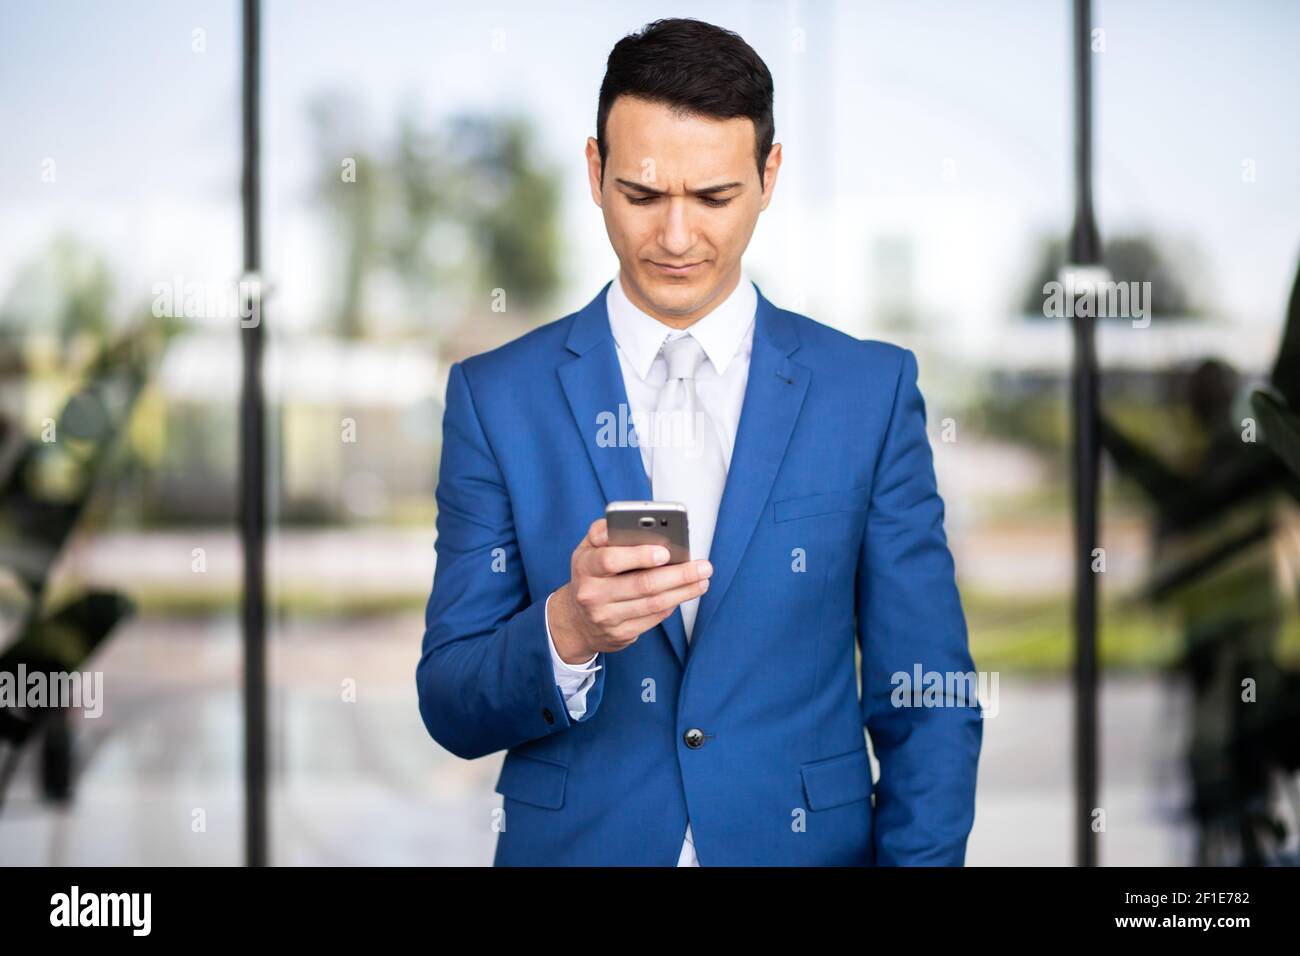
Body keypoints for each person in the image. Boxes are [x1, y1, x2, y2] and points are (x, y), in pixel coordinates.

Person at [417, 17, 982, 866]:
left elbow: (927, 700)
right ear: (595, 172)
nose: (676, 239)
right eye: (643, 195)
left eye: (714, 198)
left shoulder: (867, 393)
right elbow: (451, 701)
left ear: (770, 175)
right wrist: (567, 630)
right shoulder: (497, 398)